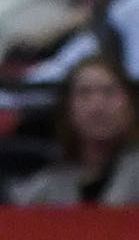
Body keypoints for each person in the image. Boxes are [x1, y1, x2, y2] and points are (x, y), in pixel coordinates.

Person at [10, 52, 139, 204]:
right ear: (67, 109)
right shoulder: (47, 185)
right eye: (85, 93)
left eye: (109, 92)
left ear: (130, 105)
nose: (97, 106)